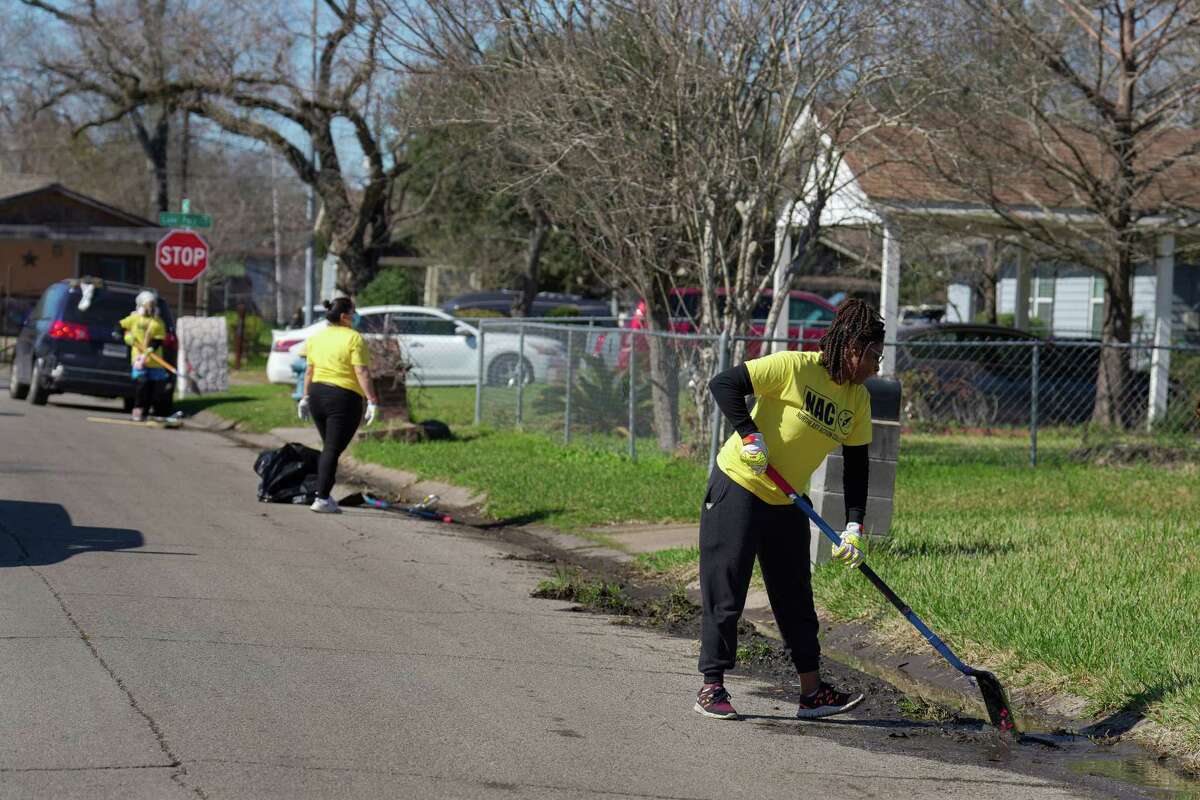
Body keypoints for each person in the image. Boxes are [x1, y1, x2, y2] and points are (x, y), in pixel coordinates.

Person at [694, 298, 885, 721]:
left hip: (788, 499)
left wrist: (854, 526)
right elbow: (724, 383)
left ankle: (812, 694)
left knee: (796, 599)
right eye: (874, 355)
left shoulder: (858, 400)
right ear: (852, 348)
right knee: (726, 591)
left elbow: (857, 467)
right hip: (740, 485)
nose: (876, 367)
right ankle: (712, 686)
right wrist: (750, 435)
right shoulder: (793, 367)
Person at [297, 297, 380, 513]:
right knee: (332, 449)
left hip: (317, 394)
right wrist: (372, 400)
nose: (356, 316)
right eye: (353, 312)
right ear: (344, 316)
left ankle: (324, 494)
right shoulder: (354, 338)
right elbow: (361, 371)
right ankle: (322, 498)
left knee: (330, 448)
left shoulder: (316, 338)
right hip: (343, 398)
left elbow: (309, 370)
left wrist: (305, 397)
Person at [118, 291, 169, 421]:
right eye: (147, 305)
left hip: (154, 362)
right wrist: (127, 337)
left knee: (154, 389)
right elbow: (120, 327)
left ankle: (146, 412)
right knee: (142, 384)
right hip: (138, 360)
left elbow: (157, 340)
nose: (149, 308)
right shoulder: (134, 319)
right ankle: (138, 409)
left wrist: (149, 351)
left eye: (152, 305)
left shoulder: (158, 323)